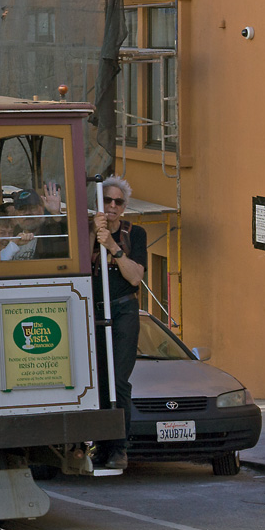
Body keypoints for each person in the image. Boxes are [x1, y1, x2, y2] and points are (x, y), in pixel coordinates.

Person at [90, 175, 146, 471]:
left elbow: (135, 276)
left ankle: (119, 447)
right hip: (94, 312)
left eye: (118, 202)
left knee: (119, 380)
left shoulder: (134, 234)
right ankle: (102, 444)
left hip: (123, 311)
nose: (112, 206)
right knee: (98, 380)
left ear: (124, 207)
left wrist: (112, 245)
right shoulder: (87, 230)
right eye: (107, 200)